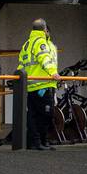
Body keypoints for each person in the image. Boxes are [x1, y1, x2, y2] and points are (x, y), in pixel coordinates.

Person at [18, 19, 59, 150]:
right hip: (43, 85)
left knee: (33, 115)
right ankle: (39, 141)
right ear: (44, 30)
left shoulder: (27, 44)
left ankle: (38, 142)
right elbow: (45, 59)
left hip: (31, 85)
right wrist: (53, 73)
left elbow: (21, 64)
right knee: (46, 114)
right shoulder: (41, 42)